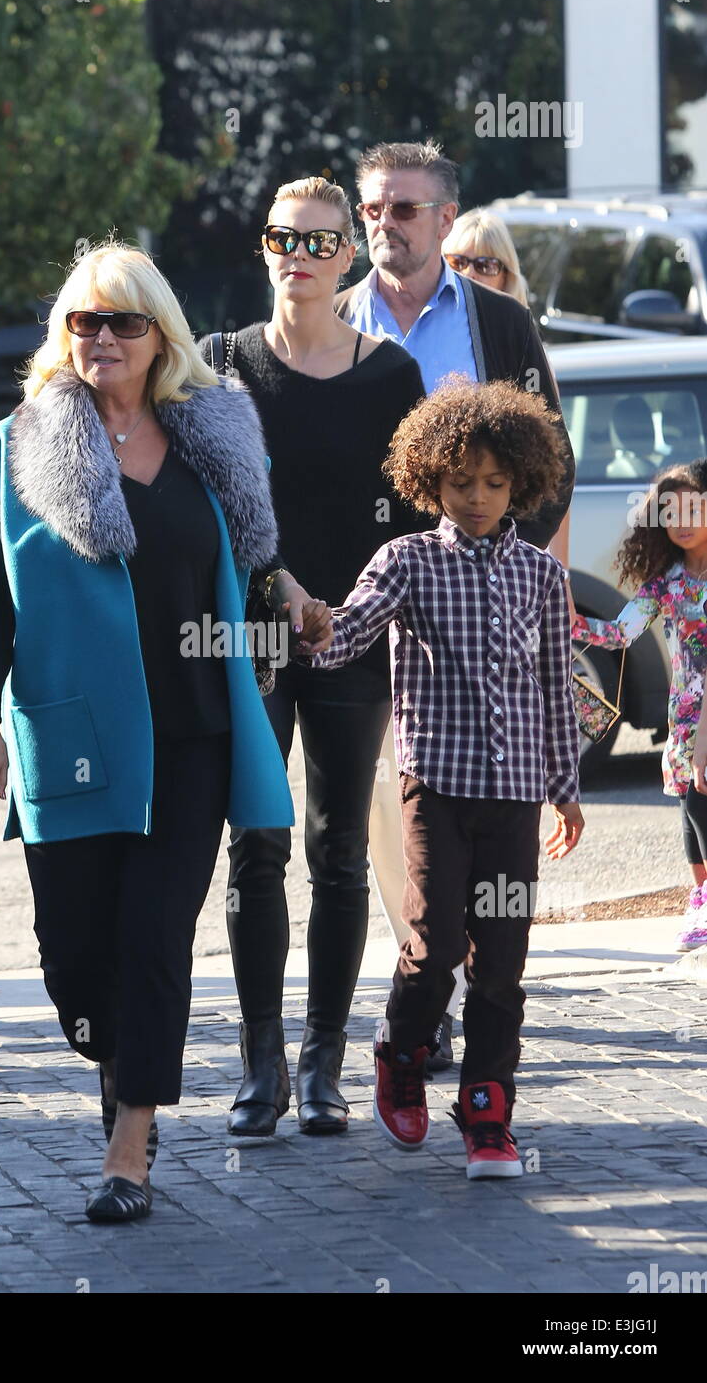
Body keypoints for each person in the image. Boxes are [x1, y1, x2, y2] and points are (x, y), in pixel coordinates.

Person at [0, 241, 330, 1223]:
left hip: (193, 736)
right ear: (63, 334)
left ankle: (129, 1150)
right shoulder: (18, 447)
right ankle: (119, 1066)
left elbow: (250, 558)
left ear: (160, 334)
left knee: (156, 938)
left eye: (124, 320)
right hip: (72, 740)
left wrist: (288, 592)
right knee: (78, 958)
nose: (104, 337)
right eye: (84, 320)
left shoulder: (214, 442)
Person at [301, 377, 584, 1178]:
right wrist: (307, 624)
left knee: (502, 959)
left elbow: (553, 687)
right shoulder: (407, 560)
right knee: (433, 946)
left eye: (495, 484)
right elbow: (348, 631)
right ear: (431, 479)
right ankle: (400, 1048)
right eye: (461, 482)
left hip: (516, 792)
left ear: (520, 484)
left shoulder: (538, 576)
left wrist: (564, 787)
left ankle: (488, 1111)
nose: (478, 498)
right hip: (436, 786)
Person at [335, 139, 577, 1072]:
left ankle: (462, 1021)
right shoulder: (333, 315)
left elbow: (546, 455)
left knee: (465, 825)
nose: (384, 224)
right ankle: (403, 1007)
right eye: (372, 209)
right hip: (369, 602)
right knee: (371, 821)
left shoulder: (497, 322)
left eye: (403, 208)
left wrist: (529, 575)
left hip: (478, 612)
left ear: (444, 218)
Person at [197, 175, 430, 1137]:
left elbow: (415, 519)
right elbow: (208, 506)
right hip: (249, 637)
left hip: (353, 641)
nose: (298, 258)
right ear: (264, 250)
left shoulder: (391, 377)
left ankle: (323, 1063)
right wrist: (276, 591)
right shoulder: (219, 365)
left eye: (319, 243)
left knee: (337, 856)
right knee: (255, 848)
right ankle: (260, 1067)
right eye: (282, 240)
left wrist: (362, 612)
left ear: (347, 256)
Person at [571, 462, 707, 952]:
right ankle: (700, 901)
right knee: (688, 813)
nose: (684, 520)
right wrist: (568, 624)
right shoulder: (666, 583)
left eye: (694, 507)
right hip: (686, 713)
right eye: (671, 513)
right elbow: (620, 632)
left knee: (700, 801)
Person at [442, 208, 530, 306]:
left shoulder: (519, 320)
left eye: (485, 266)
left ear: (505, 278)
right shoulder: (425, 318)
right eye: (456, 262)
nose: (469, 274)